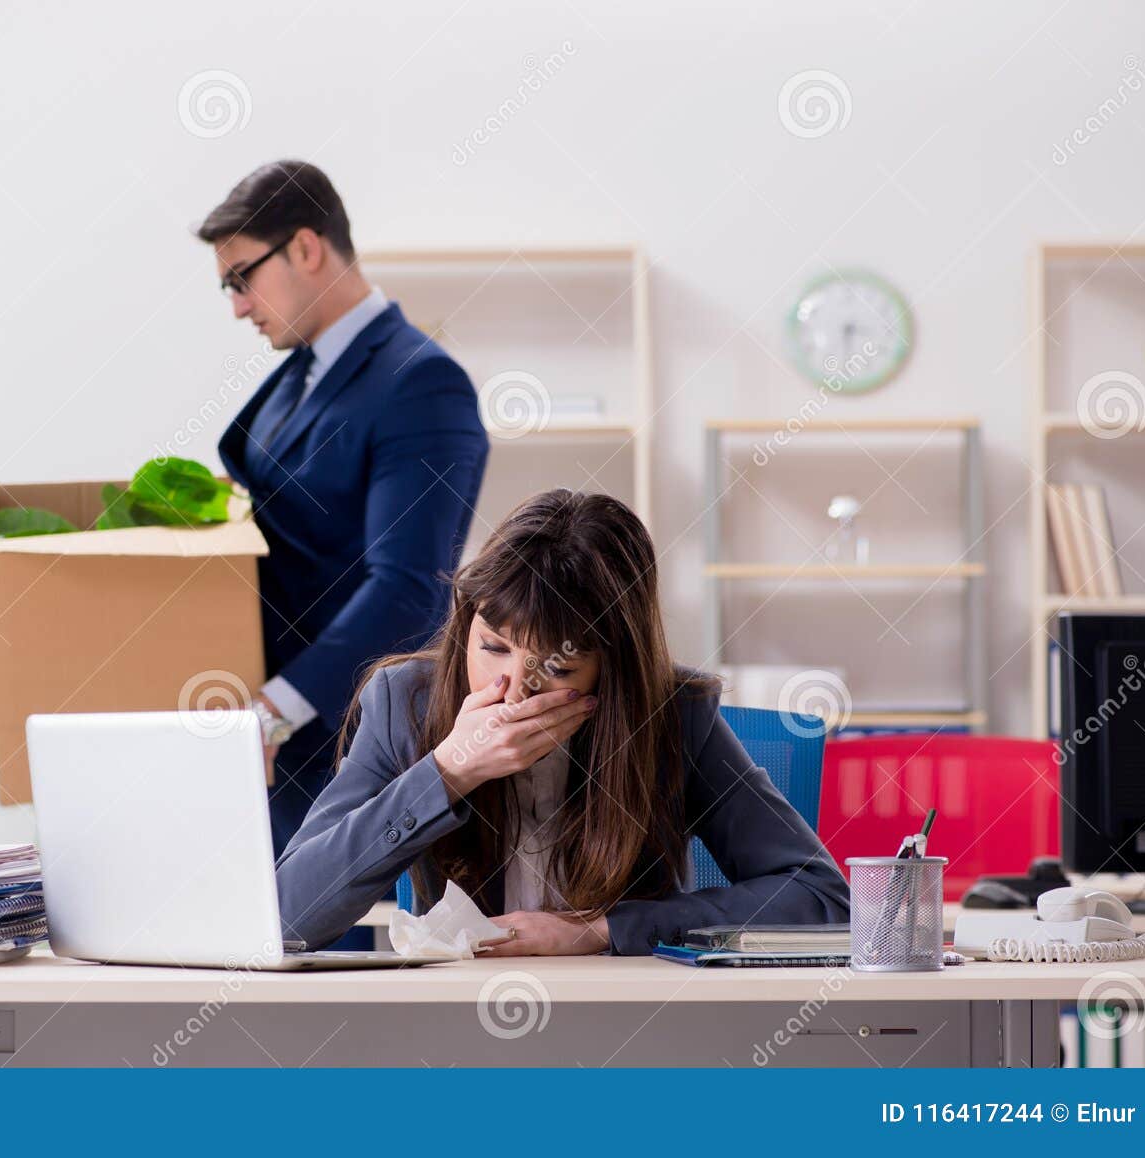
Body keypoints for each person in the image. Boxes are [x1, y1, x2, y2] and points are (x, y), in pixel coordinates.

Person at [274, 489, 852, 955]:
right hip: (458, 1024)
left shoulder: (674, 711)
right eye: (494, 646)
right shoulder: (405, 703)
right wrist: (447, 771)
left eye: (559, 666)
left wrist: (602, 929)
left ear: (613, 670)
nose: (512, 691)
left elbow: (822, 898)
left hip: (627, 1022)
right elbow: (286, 916)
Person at [202, 160, 489, 858]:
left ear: (305, 247)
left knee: (330, 959)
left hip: (341, 748)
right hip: (262, 739)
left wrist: (273, 713)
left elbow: (408, 589)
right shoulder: (295, 378)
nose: (237, 304)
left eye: (241, 277)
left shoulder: (420, 381)